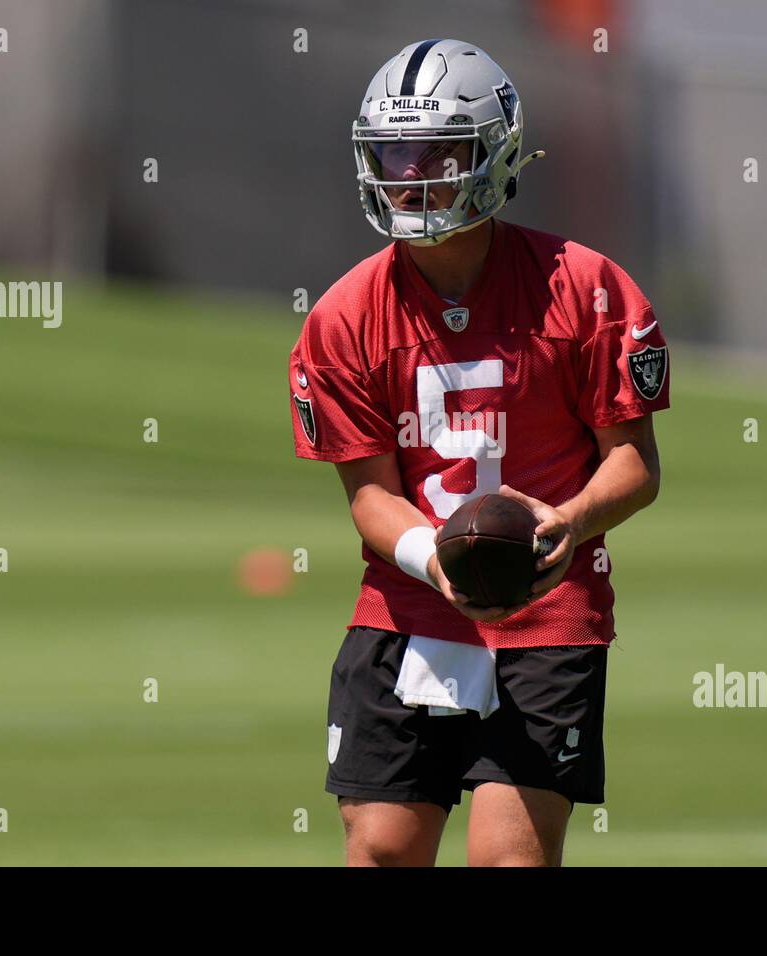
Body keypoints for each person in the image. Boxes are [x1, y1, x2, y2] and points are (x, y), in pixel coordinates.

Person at [288, 38, 670, 866]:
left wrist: (566, 523)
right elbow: (369, 496)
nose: (410, 174)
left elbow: (635, 463)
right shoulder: (344, 316)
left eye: (437, 152)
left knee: (510, 858)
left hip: (548, 608)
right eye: (393, 152)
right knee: (382, 848)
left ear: (494, 151)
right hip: (407, 603)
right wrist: (440, 562)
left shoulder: (586, 286)